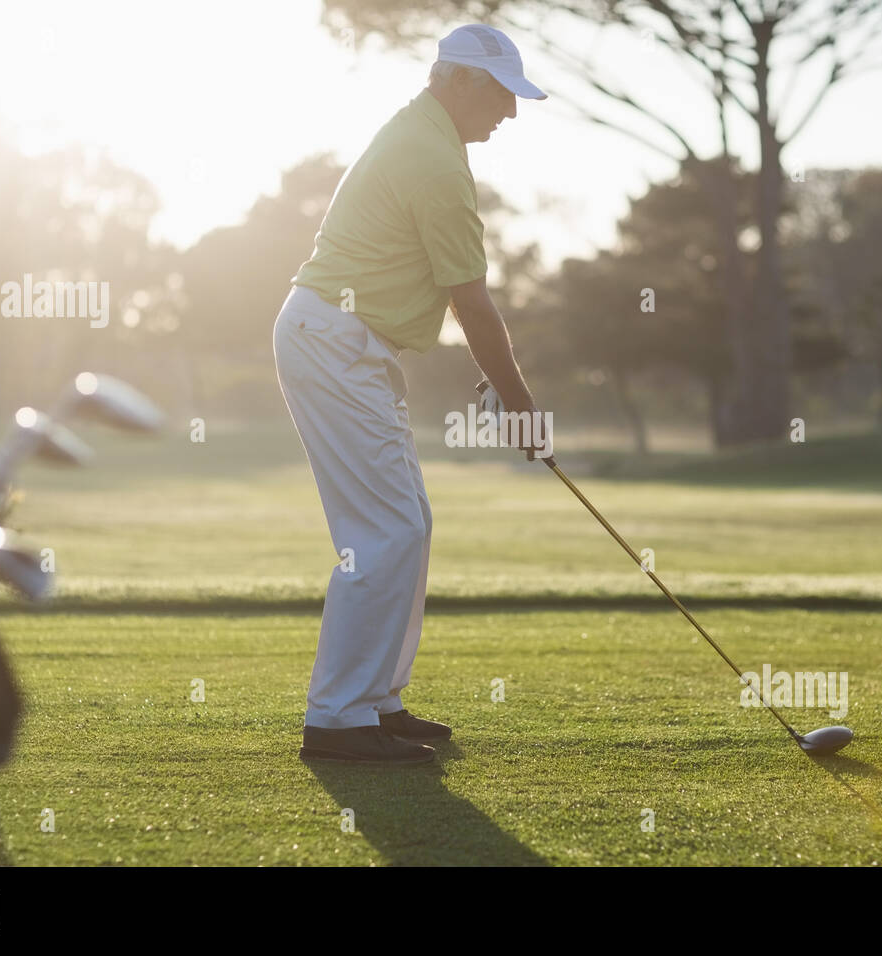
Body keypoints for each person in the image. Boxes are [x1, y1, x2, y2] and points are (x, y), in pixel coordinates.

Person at [273, 24, 550, 764]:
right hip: (333, 341)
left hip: (348, 343)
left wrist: (508, 391)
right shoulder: (433, 159)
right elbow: (472, 303)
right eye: (501, 94)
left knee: (408, 523)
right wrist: (524, 407)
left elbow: (457, 298)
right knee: (385, 532)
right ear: (457, 80)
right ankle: (338, 719)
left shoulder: (426, 138)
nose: (510, 111)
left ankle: (377, 701)